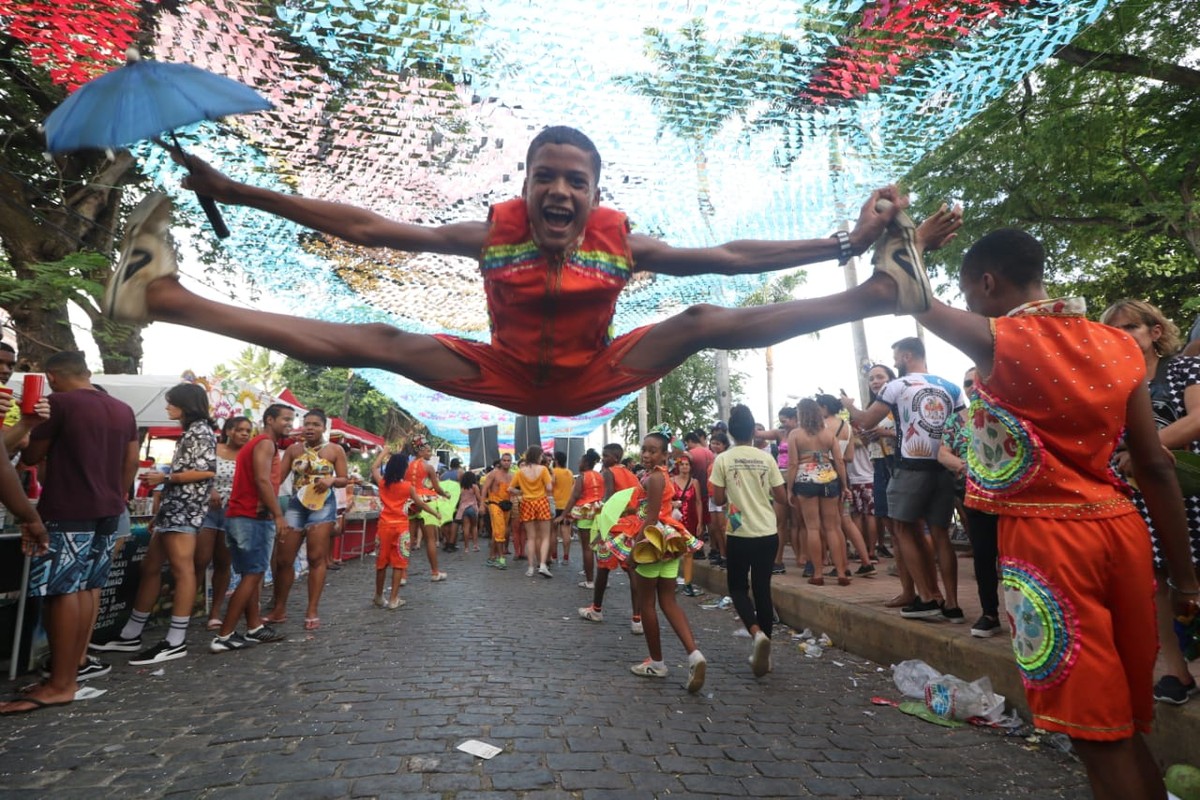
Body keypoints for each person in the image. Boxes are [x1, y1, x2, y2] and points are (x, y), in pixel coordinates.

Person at [107, 127, 935, 419]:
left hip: (592, 375)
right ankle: (166, 298)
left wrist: (840, 246)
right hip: (501, 371)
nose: (561, 190)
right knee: (383, 340)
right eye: (547, 176)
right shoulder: (487, 236)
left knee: (699, 324)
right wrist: (236, 192)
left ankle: (876, 291)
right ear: (526, 186)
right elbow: (366, 226)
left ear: (597, 194)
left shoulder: (623, 245)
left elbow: (727, 258)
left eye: (577, 180)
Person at [914, 221, 1200, 800]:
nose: (969, 306)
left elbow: (907, 294)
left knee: (1096, 730)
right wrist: (1187, 578)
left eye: (970, 294)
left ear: (987, 282)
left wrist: (915, 245)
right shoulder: (1118, 346)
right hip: (1121, 531)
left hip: (1048, 542)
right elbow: (1156, 464)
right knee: (1121, 717)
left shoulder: (999, 341)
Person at [0, 351, 137, 715]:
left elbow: (30, 458)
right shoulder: (122, 409)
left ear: (52, 377)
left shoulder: (57, 404)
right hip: (109, 509)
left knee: (61, 592)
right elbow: (132, 461)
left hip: (68, 508)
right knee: (88, 587)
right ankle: (70, 672)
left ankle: (60, 684)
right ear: (87, 373)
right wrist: (118, 496)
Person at [1100, 298, 1200, 704]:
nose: (1121, 338)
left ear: (1155, 332)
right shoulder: (1112, 384)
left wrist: (1145, 448)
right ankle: (1176, 672)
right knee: (1154, 581)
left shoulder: (1185, 369)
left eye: (1130, 328)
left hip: (1190, 489)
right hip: (1138, 496)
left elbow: (1197, 418)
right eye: (1113, 332)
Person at [90, 383, 217, 663]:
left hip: (184, 509)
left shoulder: (200, 431)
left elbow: (207, 471)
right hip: (174, 509)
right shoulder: (192, 432)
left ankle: (175, 640)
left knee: (182, 570)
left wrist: (166, 478)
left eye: (172, 403)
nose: (167, 407)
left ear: (186, 405)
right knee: (150, 567)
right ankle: (131, 634)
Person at [843, 337, 964, 620]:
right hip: (943, 467)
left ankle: (928, 597)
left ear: (908, 356)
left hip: (911, 465)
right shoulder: (951, 387)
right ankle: (953, 605)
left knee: (901, 528)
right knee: (940, 534)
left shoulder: (897, 385)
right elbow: (964, 427)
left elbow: (865, 421)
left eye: (896, 357)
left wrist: (848, 405)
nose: (895, 362)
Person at [600, 431, 706, 692]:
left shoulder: (656, 477)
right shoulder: (661, 476)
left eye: (653, 451)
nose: (646, 455)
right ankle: (694, 654)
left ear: (665, 454)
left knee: (648, 603)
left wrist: (635, 551)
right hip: (668, 543)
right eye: (644, 450)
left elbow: (650, 519)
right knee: (668, 601)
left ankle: (657, 662)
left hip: (652, 543)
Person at [211, 404, 294, 653]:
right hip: (252, 516)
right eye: (285, 419)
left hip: (241, 516)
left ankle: (254, 627)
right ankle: (224, 634)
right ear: (270, 419)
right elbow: (262, 479)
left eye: (291, 419)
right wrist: (278, 515)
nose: (289, 424)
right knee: (253, 574)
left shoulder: (259, 444)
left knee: (250, 573)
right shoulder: (265, 443)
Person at [711, 405, 787, 677]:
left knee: (738, 588)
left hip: (739, 532)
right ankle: (765, 647)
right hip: (767, 532)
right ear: (753, 430)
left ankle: (756, 635)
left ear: (730, 432)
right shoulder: (766, 458)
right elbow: (780, 496)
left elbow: (718, 500)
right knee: (763, 589)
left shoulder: (723, 459)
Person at [267, 409, 349, 631]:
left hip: (322, 506)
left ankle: (312, 610)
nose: (310, 428)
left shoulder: (335, 450)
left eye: (315, 424)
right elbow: (278, 478)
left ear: (324, 428)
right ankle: (279, 608)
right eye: (306, 424)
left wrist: (332, 480)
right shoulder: (293, 450)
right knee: (284, 559)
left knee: (315, 557)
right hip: (296, 505)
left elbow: (344, 479)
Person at [786, 399, 851, 586]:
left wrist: (790, 488)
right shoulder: (828, 434)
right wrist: (844, 485)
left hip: (806, 480)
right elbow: (839, 461)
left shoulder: (795, 435)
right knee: (833, 527)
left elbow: (792, 464)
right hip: (829, 478)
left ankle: (818, 574)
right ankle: (841, 573)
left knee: (812, 528)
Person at [579, 443, 642, 631]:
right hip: (631, 526)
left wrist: (596, 522)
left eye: (606, 456)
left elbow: (606, 500)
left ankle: (596, 610)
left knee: (603, 569)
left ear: (615, 457)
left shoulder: (609, 472)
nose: (603, 459)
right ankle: (637, 619)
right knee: (633, 572)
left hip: (613, 526)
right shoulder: (631, 475)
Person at [197, 416, 252, 630]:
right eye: (240, 430)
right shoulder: (213, 449)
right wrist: (210, 490)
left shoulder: (248, 456)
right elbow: (201, 474)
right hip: (208, 510)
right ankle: (192, 605)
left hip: (233, 513)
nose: (245, 434)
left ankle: (215, 612)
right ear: (229, 431)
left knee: (223, 562)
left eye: (248, 430)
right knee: (200, 560)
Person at [815, 394, 875, 577]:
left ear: (824, 407)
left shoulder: (822, 427)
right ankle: (865, 561)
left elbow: (817, 453)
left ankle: (842, 565)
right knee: (845, 521)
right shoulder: (846, 427)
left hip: (826, 476)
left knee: (832, 524)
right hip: (844, 477)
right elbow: (849, 457)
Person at [371, 451, 436, 609]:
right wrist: (435, 513)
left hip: (384, 527)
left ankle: (379, 596)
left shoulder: (382, 483)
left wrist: (383, 452)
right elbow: (420, 504)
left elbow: (374, 468)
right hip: (401, 528)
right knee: (399, 563)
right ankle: (394, 599)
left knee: (381, 563)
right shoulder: (408, 487)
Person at [405, 435, 449, 581]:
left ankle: (403, 575)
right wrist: (446, 494)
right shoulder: (428, 467)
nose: (430, 454)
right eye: (428, 451)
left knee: (408, 540)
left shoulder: (408, 467)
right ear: (421, 451)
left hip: (410, 502)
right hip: (427, 501)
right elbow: (437, 488)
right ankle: (435, 572)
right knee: (430, 539)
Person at [560, 448, 603, 588]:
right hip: (599, 512)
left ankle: (590, 581)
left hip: (585, 513)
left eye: (580, 461)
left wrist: (564, 514)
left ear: (585, 463)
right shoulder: (599, 475)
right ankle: (604, 580)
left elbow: (574, 497)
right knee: (598, 547)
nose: (578, 463)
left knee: (587, 548)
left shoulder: (582, 477)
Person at [511, 445, 554, 578]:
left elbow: (510, 489)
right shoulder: (543, 469)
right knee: (545, 536)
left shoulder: (520, 471)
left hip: (526, 503)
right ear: (538, 456)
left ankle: (530, 568)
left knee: (531, 537)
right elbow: (549, 487)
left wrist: (522, 491)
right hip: (541, 502)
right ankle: (542, 564)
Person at [670, 452, 703, 597]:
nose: (684, 467)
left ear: (690, 467)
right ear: (678, 466)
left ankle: (688, 583)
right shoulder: (671, 481)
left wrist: (701, 522)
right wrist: (673, 503)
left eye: (687, 464)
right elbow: (665, 500)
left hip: (690, 519)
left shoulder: (694, 482)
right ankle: (672, 580)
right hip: (675, 520)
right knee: (673, 551)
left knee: (689, 552)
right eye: (682, 464)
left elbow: (698, 502)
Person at [482, 454, 514, 569]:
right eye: (504, 460)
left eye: (508, 460)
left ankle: (491, 557)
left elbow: (514, 491)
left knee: (498, 531)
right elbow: (485, 488)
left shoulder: (512, 476)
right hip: (494, 504)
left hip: (506, 506)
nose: (506, 462)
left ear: (511, 462)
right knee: (500, 531)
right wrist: (482, 504)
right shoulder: (493, 474)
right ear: (501, 461)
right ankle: (501, 558)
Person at [550, 451, 575, 566]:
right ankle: (566, 557)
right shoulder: (570, 473)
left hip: (555, 505)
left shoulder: (553, 472)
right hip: (567, 506)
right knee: (566, 532)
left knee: (553, 532)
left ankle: (554, 556)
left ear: (556, 460)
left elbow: (550, 486)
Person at [455, 470, 483, 553]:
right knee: (474, 527)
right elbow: (478, 498)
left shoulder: (461, 488)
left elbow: (459, 499)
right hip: (473, 508)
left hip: (463, 509)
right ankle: (475, 545)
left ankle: (466, 548)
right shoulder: (474, 487)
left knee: (465, 528)